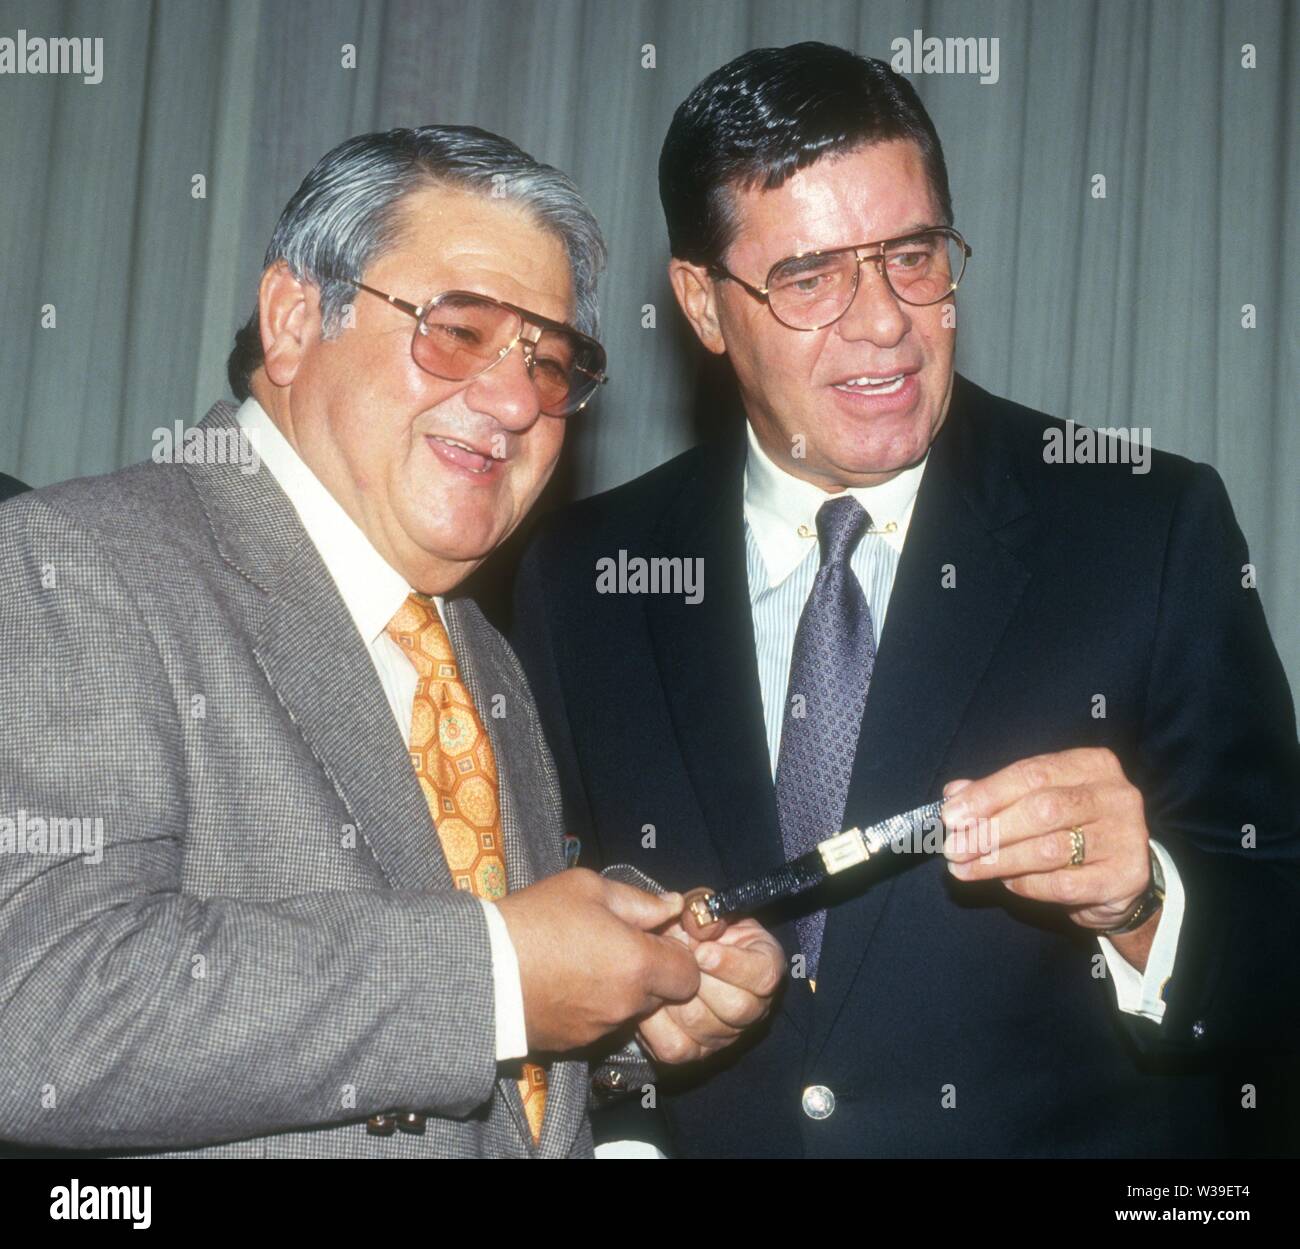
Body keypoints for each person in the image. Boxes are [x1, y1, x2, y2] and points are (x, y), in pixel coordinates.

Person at [512, 44, 1300, 1157]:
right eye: (811, 275)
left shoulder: (1143, 525)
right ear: (700, 302)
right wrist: (632, 1047)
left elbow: (1278, 930)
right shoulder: (579, 572)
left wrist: (1146, 902)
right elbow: (524, 961)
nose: (883, 321)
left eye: (913, 257)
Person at [0, 125, 781, 1159]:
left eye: (549, 362)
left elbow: (467, 1044)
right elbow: (41, 1009)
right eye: (458, 330)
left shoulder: (478, 652)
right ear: (291, 319)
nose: (513, 401)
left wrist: (636, 995)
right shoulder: (76, 562)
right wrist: (499, 971)